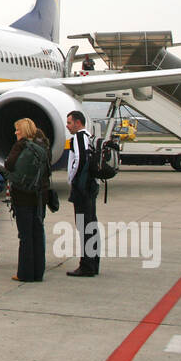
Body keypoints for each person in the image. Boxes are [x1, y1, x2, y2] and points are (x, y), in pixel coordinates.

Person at [6, 119, 49, 282]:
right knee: (38, 233)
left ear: (23, 130)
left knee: (25, 236)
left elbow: (9, 164)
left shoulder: (20, 145)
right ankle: (38, 272)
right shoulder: (43, 145)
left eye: (17, 129)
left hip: (23, 195)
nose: (16, 132)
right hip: (40, 195)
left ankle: (25, 273)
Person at [66, 110, 100, 277]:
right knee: (91, 225)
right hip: (91, 186)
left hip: (82, 188)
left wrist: (72, 178)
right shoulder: (90, 136)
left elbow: (79, 160)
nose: (67, 126)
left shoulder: (79, 137)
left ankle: (86, 266)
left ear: (78, 123)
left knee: (84, 226)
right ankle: (94, 263)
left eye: (69, 122)